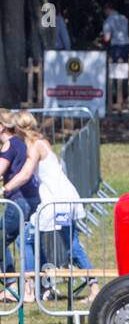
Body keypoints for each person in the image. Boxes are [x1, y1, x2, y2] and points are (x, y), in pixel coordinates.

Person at [16, 111, 97, 302]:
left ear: (19, 130)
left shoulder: (36, 146)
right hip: (61, 200)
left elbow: (26, 174)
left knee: (26, 240)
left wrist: (6, 188)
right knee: (67, 244)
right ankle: (48, 285)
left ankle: (32, 287)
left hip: (57, 203)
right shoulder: (42, 142)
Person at [0, 110, 35, 302]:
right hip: (28, 199)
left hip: (18, 201)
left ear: (2, 126)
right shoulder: (19, 143)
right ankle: (30, 289)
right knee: (25, 243)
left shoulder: (8, 145)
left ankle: (11, 286)